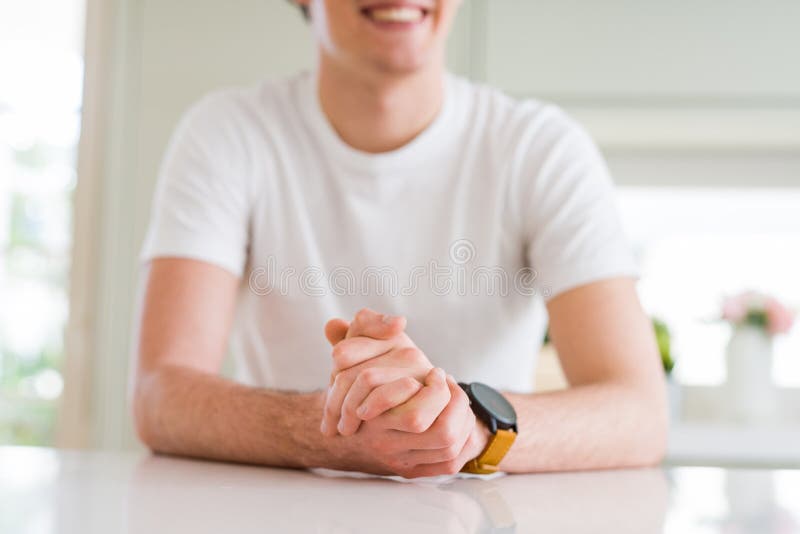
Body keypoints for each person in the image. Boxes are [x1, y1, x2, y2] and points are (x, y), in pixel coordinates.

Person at [133, 0, 667, 478]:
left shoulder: (540, 148)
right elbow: (161, 397)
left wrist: (467, 426)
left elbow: (640, 414)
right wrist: (336, 431)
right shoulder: (227, 132)